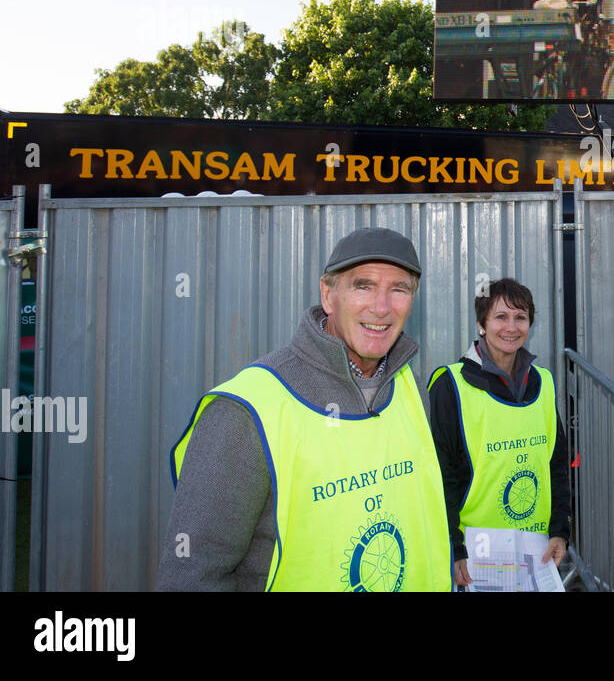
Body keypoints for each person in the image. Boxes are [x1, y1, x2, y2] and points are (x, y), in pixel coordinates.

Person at [159, 227, 451, 591]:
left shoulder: (412, 389)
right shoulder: (247, 408)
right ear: (328, 295)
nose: (381, 306)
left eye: (399, 289)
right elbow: (193, 573)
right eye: (363, 286)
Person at [427, 278, 570, 588]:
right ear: (482, 323)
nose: (511, 327)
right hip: (477, 552)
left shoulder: (543, 383)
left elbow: (556, 464)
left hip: (535, 547)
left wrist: (559, 529)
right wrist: (454, 547)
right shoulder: (451, 385)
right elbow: (442, 475)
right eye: (500, 317)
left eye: (521, 317)